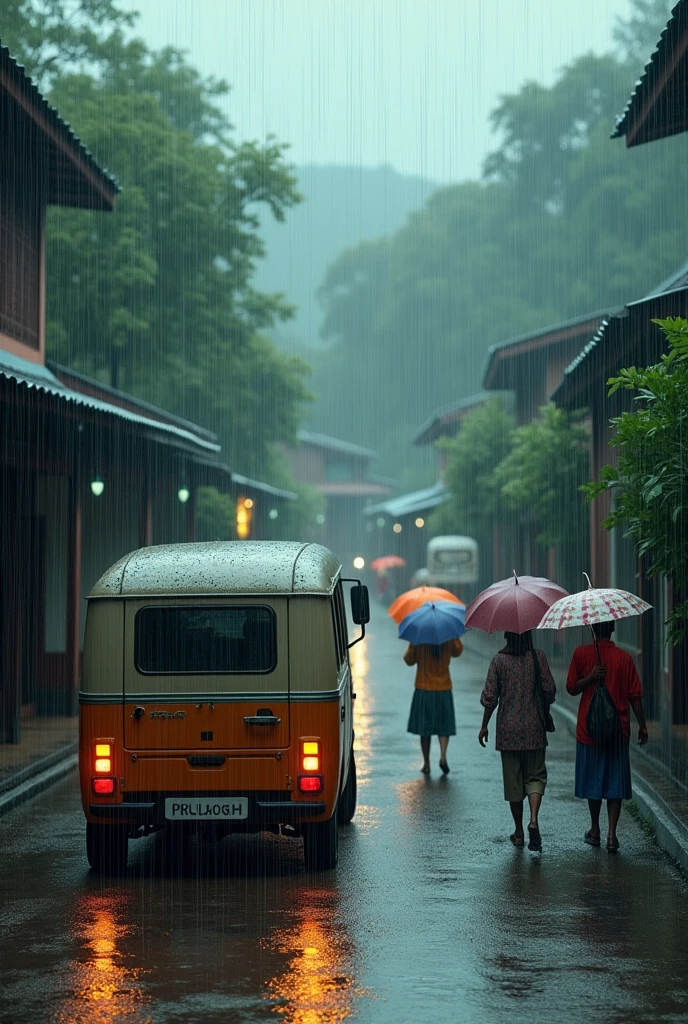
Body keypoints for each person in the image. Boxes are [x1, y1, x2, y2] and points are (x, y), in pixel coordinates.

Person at [566, 620, 648, 853]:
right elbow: (635, 697)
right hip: (617, 731)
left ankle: (595, 829)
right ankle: (612, 835)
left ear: (592, 629)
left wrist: (590, 678)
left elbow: (571, 688)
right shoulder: (624, 659)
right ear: (612, 630)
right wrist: (642, 726)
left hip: (589, 731)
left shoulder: (581, 654)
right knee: (614, 783)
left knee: (593, 782)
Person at [478, 630, 556, 852]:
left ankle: (519, 832)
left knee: (513, 782)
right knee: (535, 776)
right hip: (534, 728)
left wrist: (484, 725)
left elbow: (490, 697)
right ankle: (533, 819)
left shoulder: (499, 661)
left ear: (507, 636)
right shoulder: (538, 657)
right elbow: (550, 691)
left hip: (508, 732)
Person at [405, 638, 463, 774]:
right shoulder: (448, 636)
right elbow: (458, 651)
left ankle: (426, 763)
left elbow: (409, 660)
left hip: (424, 689)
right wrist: (453, 638)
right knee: (444, 726)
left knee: (424, 729)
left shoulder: (419, 637)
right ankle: (443, 756)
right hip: (443, 688)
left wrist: (413, 644)